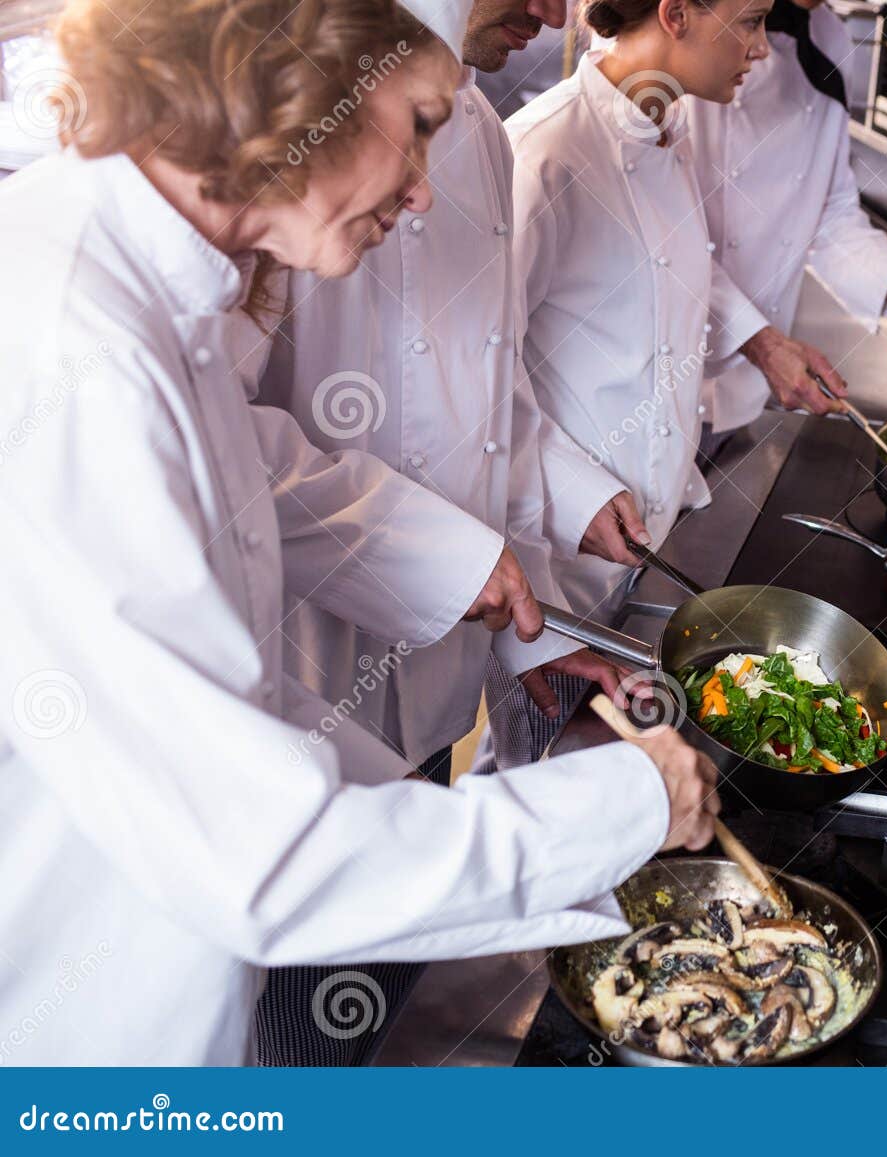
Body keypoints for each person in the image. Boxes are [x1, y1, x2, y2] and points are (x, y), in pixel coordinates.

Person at [0, 0, 718, 1066]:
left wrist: (469, 585)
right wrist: (617, 803)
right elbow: (264, 859)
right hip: (89, 1031)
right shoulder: (78, 358)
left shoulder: (157, 296)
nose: (426, 186)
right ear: (292, 85)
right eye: (418, 122)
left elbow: (240, 620)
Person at [482, 0, 846, 770]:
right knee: (536, 783)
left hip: (637, 549)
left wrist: (766, 345)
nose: (760, 48)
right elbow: (485, 379)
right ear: (676, 14)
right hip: (549, 569)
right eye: (747, 22)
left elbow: (678, 274)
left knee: (598, 779)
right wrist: (577, 495)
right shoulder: (544, 154)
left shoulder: (662, 135)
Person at [689, 0, 887, 456]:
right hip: (666, 386)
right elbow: (665, 244)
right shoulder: (698, 25)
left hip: (747, 393)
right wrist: (760, 343)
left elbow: (829, 208)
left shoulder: (830, 35)